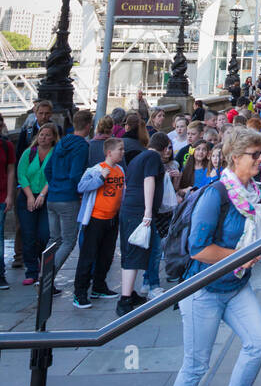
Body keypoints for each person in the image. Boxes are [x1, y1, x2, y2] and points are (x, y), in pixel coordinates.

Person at [158, 126, 261, 386]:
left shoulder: (250, 192)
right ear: (235, 157)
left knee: (258, 341)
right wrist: (243, 255)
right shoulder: (216, 195)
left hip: (235, 285)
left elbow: (246, 238)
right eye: (255, 154)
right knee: (195, 366)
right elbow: (198, 249)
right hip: (203, 290)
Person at [117, 132, 172, 315]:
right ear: (164, 147)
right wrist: (148, 212)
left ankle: (140, 288)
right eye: (168, 148)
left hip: (131, 210)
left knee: (152, 248)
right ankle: (125, 299)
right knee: (134, 253)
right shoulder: (153, 157)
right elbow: (149, 180)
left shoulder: (139, 157)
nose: (168, 152)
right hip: (139, 212)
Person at [73, 137, 125, 307]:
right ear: (109, 152)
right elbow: (81, 187)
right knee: (88, 256)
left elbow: (122, 193)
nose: (123, 152)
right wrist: (100, 178)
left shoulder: (120, 170)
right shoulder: (95, 170)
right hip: (95, 219)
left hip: (112, 219)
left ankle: (99, 286)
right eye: (120, 149)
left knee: (106, 256)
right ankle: (79, 292)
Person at [45, 109, 93, 283]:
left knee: (54, 239)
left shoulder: (61, 142)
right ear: (88, 126)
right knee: (68, 241)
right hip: (68, 198)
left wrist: (55, 186)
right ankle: (46, 278)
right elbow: (75, 175)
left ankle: (43, 275)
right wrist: (80, 192)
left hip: (53, 197)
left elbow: (48, 169)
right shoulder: (82, 146)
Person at [17, 121, 59, 284]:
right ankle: (31, 271)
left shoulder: (55, 154)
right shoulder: (29, 153)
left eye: (48, 135)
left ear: (53, 138)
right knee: (28, 235)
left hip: (46, 196)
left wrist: (42, 194)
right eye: (41, 134)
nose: (43, 138)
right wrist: (29, 196)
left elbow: (53, 175)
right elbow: (21, 175)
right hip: (27, 196)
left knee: (44, 234)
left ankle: (44, 268)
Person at [0, 119, 15, 289]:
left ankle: (0, 274)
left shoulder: (6, 145)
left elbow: (11, 171)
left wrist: (10, 195)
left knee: (0, 236)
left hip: (1, 196)